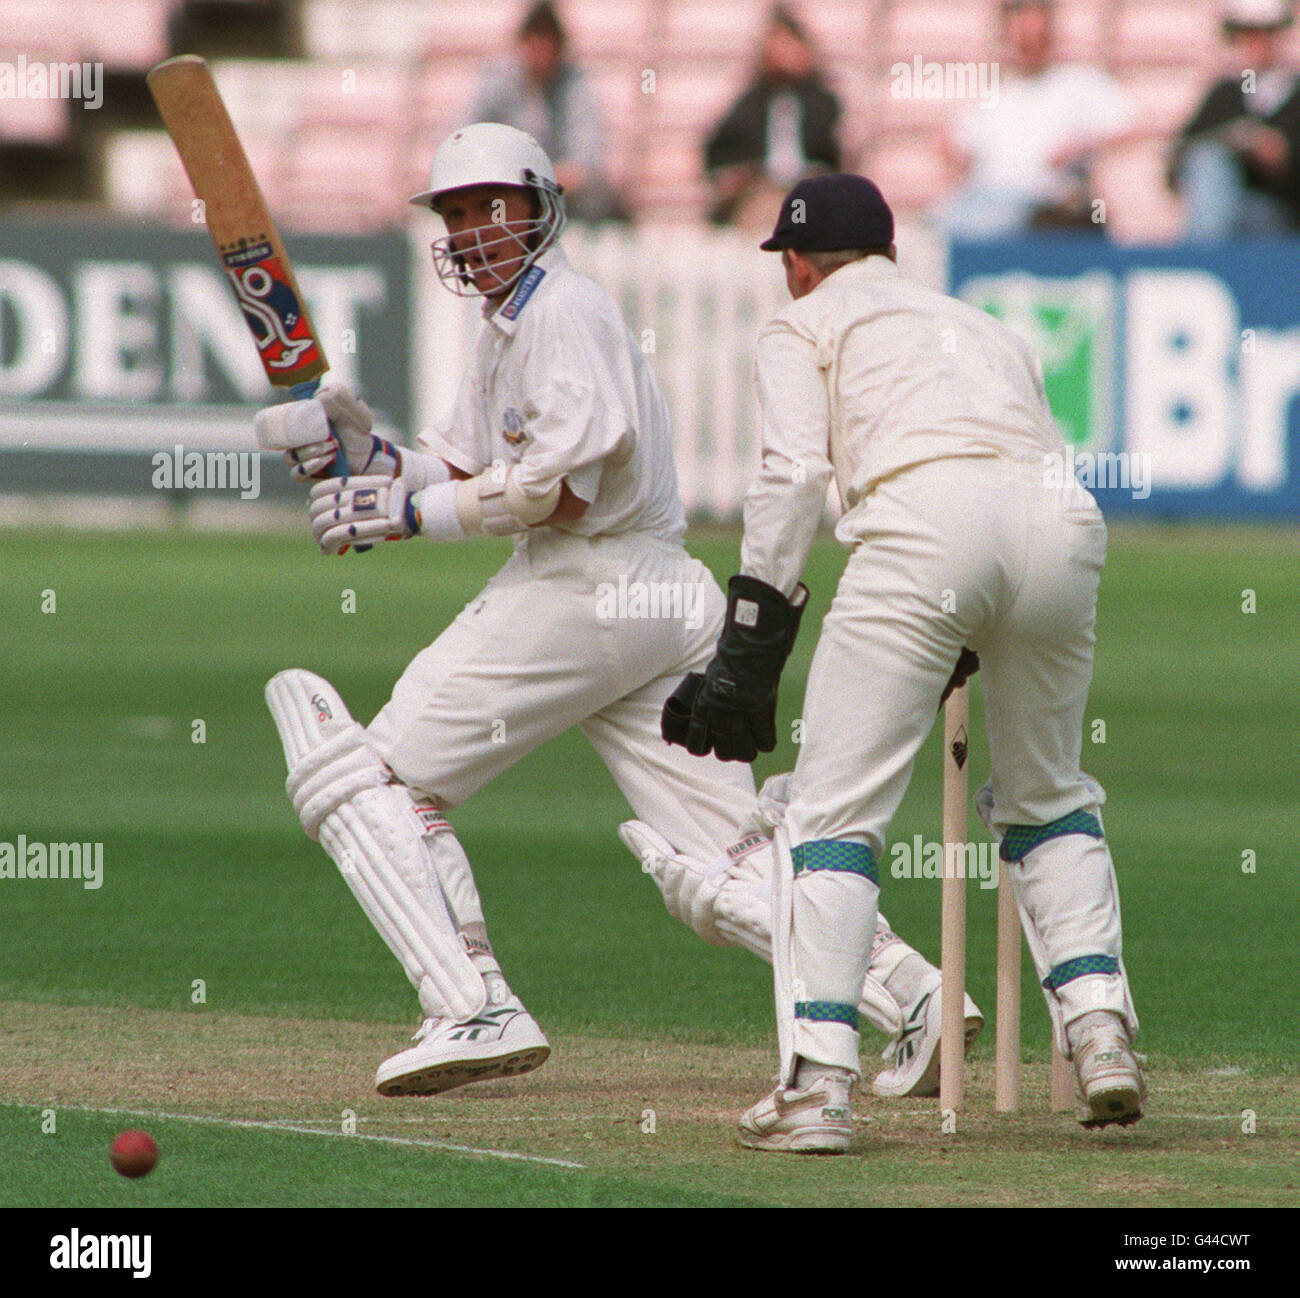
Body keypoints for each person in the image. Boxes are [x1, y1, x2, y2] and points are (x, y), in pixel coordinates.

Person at [253, 124, 976, 1101]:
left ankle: (470, 1002)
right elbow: (467, 470)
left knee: (367, 779)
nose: (470, 232)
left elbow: (563, 494)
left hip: (595, 581)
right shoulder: (510, 322)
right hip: (663, 600)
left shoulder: (565, 310)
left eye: (488, 209)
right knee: (722, 859)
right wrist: (369, 459)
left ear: (538, 208)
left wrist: (407, 512)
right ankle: (915, 992)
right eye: (455, 214)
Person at [666, 172, 1145, 1153]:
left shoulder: (799, 326)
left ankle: (817, 1088)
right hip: (1059, 525)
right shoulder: (978, 325)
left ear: (796, 264)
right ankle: (1099, 1026)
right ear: (886, 250)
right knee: (1046, 794)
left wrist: (749, 640)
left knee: (828, 811)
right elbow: (1011, 490)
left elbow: (795, 475)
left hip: (924, 526)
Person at [935, 0, 1133, 239]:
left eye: (1037, 37)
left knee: (986, 224)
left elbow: (1127, 127)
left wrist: (1081, 145)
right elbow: (958, 148)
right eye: (1021, 38)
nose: (1029, 46)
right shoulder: (991, 94)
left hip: (1048, 201)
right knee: (934, 229)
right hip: (988, 197)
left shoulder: (1080, 83)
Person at [463, 1, 622, 222]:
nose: (541, 50)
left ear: (560, 46)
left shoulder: (576, 85)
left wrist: (535, 185)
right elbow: (465, 142)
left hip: (562, 206)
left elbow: (586, 163)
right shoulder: (497, 81)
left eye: (548, 41)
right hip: (501, 199)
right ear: (522, 42)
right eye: (535, 39)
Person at [703, 5, 841, 231]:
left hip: (812, 190)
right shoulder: (749, 103)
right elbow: (717, 155)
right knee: (770, 210)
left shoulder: (824, 102)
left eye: (788, 44)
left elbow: (836, 155)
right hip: (760, 191)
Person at [1170, 0, 1300, 238]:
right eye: (1249, 35)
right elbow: (1178, 161)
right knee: (1209, 161)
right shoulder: (1225, 93)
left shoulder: (1295, 95)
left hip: (1281, 216)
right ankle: (1203, 257)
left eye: (1267, 34)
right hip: (1223, 208)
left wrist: (1282, 157)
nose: (1258, 44)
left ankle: (1202, 256)